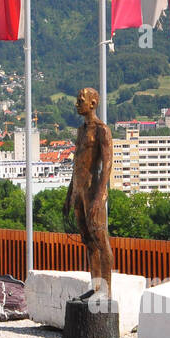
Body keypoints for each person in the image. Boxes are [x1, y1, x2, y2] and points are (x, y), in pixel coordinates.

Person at [63, 87, 113, 298]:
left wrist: (100, 196)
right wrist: (69, 196)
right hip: (79, 191)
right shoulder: (81, 130)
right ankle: (95, 288)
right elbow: (76, 164)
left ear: (93, 103)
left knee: (101, 240)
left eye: (81, 100)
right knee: (88, 241)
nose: (77, 103)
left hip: (93, 191)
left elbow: (108, 164)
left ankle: (107, 291)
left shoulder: (102, 130)